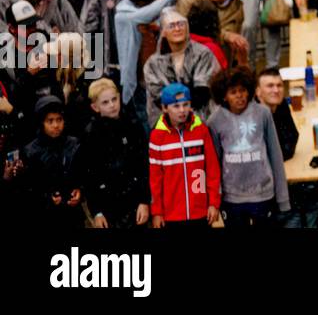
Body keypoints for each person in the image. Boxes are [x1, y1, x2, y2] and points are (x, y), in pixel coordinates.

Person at [206, 66, 290, 227]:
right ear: (224, 96)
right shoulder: (214, 121)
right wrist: (213, 201)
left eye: (243, 90)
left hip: (263, 194)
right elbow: (213, 165)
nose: (239, 96)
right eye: (233, 92)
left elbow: (275, 156)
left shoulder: (263, 113)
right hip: (232, 198)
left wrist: (283, 199)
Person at [75, 78, 150, 228]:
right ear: (95, 107)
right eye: (105, 102)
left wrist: (144, 201)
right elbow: (90, 177)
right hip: (107, 205)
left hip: (134, 202)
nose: (112, 105)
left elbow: (143, 166)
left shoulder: (133, 126)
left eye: (114, 99)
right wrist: (97, 212)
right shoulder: (91, 134)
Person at [148, 83, 221, 227]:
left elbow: (212, 169)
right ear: (164, 108)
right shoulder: (157, 136)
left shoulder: (201, 130)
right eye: (176, 106)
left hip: (201, 212)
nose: (182, 110)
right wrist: (157, 212)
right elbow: (155, 178)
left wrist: (213, 203)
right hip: (171, 215)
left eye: (185, 104)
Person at [11, 95, 82, 227]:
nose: (56, 125)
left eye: (59, 120)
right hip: (45, 217)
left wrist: (79, 190)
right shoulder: (30, 151)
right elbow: (28, 189)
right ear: (42, 123)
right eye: (50, 121)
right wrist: (48, 198)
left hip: (71, 214)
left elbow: (81, 173)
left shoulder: (74, 144)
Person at [143, 8, 219, 126]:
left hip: (202, 122)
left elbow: (203, 92)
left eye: (181, 24)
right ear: (163, 31)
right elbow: (159, 97)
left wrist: (176, 101)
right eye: (172, 26)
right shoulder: (153, 64)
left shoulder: (203, 54)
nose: (177, 29)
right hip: (167, 127)